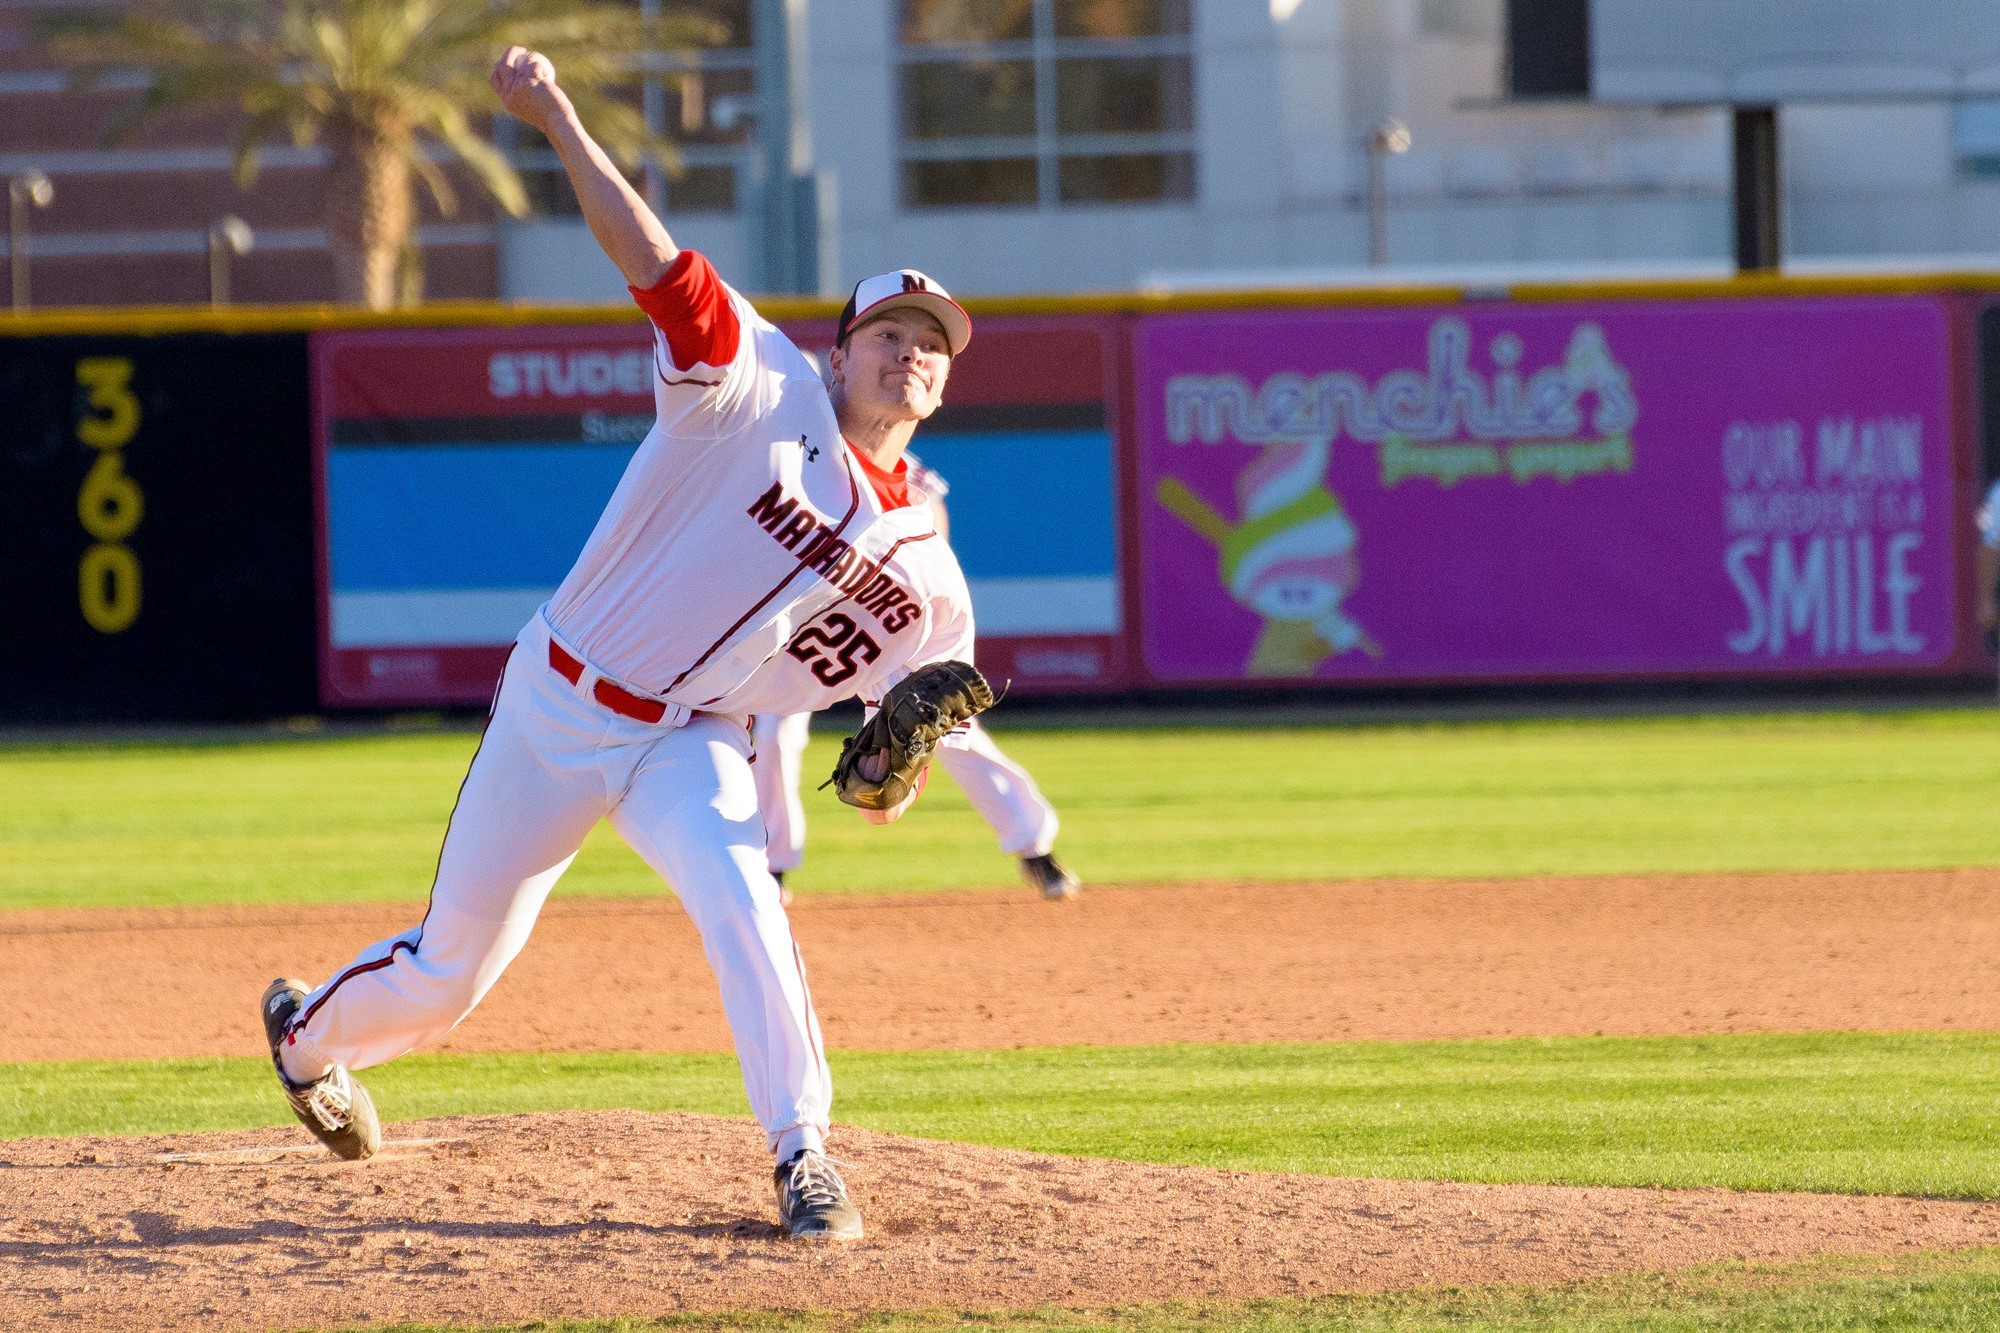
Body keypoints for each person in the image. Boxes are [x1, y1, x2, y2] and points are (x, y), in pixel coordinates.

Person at [259, 44, 983, 1244]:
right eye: (888, 333)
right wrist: (554, 115)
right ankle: (306, 1043)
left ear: (945, 386)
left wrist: (882, 775)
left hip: (686, 741)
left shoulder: (926, 583)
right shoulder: (755, 383)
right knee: (451, 976)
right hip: (555, 704)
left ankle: (802, 1153)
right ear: (839, 351)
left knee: (745, 902)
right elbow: (653, 260)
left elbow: (884, 783)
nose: (910, 352)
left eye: (932, 344)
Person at [753, 458, 1080, 904]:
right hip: (810, 626)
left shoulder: (884, 452)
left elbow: (932, 516)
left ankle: (1034, 847)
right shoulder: (796, 454)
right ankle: (773, 866)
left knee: (951, 733)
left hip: (883, 622)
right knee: (773, 736)